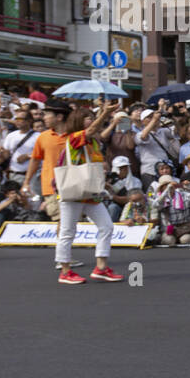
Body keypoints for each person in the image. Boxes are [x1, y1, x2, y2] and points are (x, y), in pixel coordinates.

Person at [51, 101, 123, 284]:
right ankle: (65, 271)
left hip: (90, 193)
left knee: (106, 226)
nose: (91, 121)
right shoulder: (74, 137)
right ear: (77, 121)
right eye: (87, 118)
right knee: (68, 232)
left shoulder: (92, 142)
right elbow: (90, 131)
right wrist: (105, 114)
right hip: (73, 192)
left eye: (92, 117)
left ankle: (101, 267)